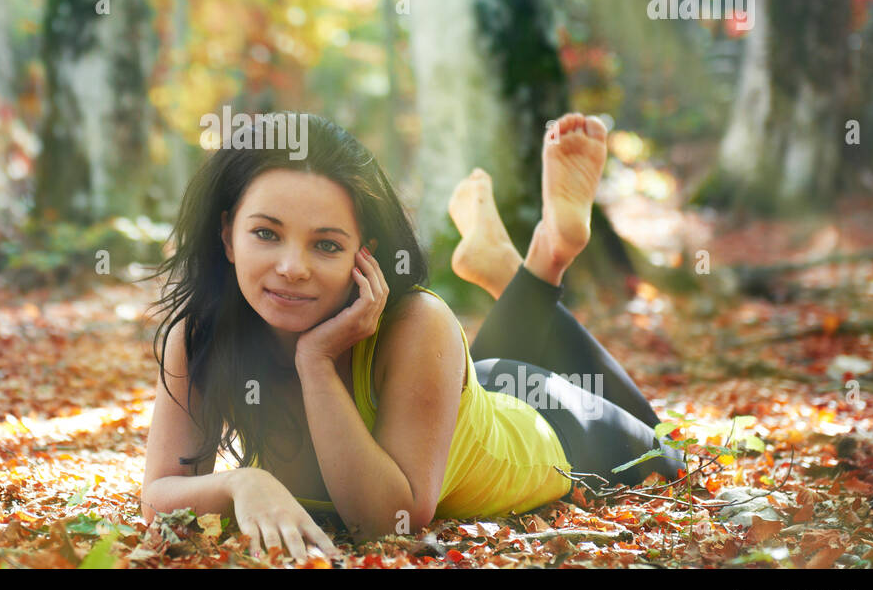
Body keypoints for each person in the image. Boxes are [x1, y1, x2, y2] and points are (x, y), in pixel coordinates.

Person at [139, 112, 685, 563]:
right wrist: (243, 483)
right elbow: (159, 493)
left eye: (326, 245)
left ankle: (548, 254)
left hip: (554, 428)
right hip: (463, 396)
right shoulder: (202, 335)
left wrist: (317, 363)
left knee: (670, 454)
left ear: (366, 253)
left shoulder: (418, 322)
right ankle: (522, 266)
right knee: (480, 371)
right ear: (227, 235)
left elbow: (386, 522)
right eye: (265, 233)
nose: (291, 267)